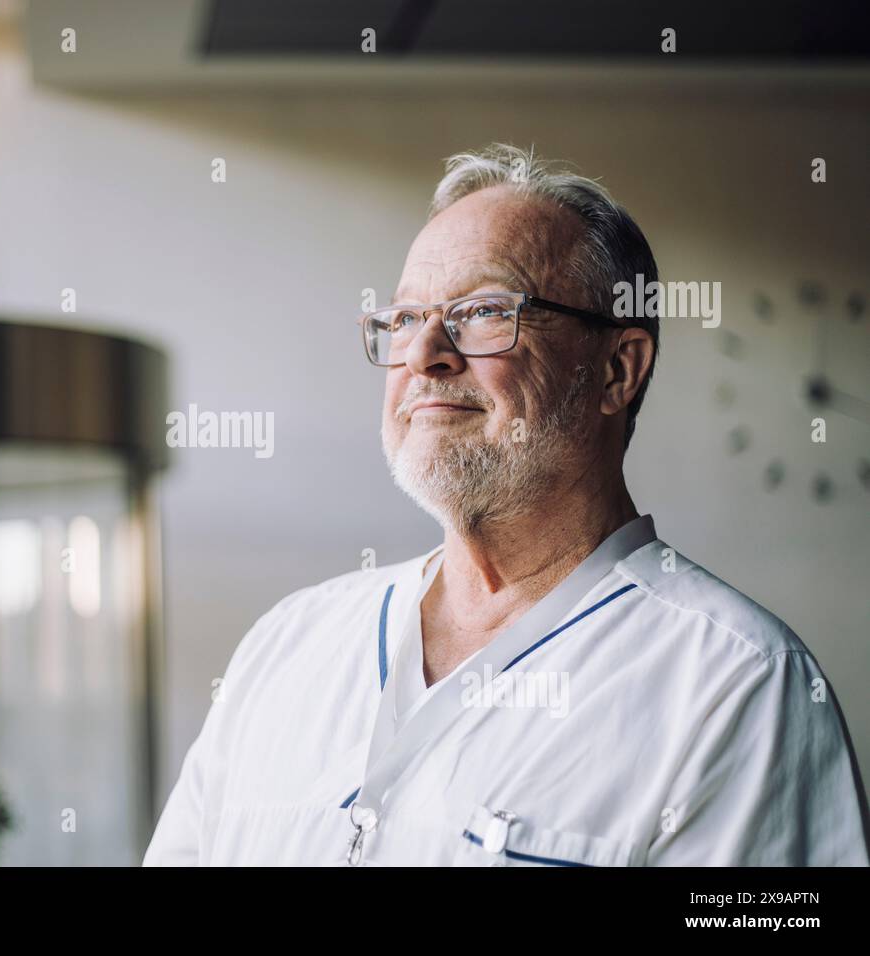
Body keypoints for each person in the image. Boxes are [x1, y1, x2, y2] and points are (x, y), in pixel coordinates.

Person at [143, 143, 869, 866]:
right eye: (402, 319)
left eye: (485, 311)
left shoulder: (737, 685)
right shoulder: (288, 645)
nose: (424, 353)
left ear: (618, 370)